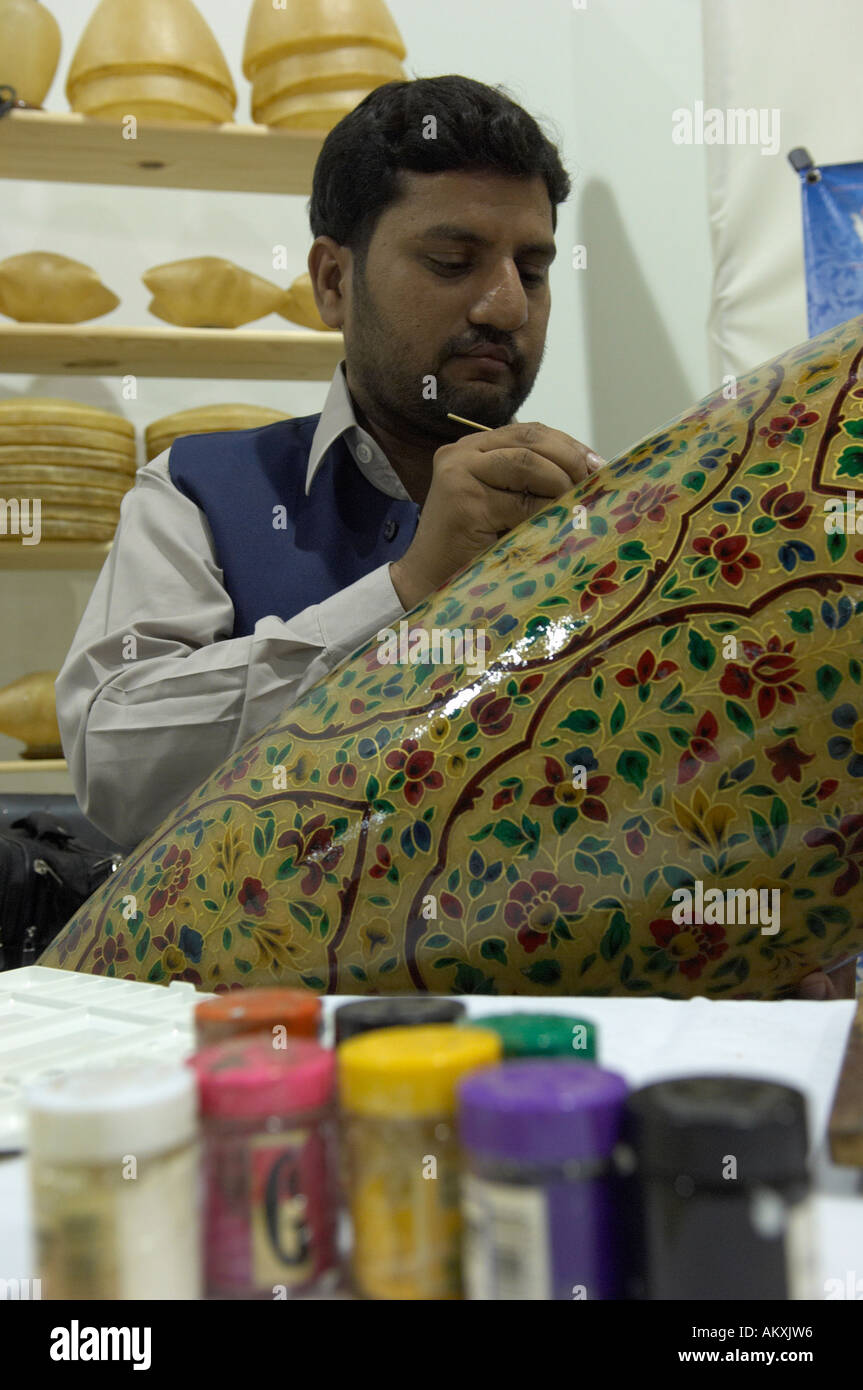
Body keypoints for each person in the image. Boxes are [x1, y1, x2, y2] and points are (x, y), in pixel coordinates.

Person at [54, 75, 853, 1000]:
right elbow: (114, 762)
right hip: (254, 1062)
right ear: (331, 279)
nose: (506, 307)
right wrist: (406, 589)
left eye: (534, 267)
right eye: (451, 261)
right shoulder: (199, 491)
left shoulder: (609, 521)